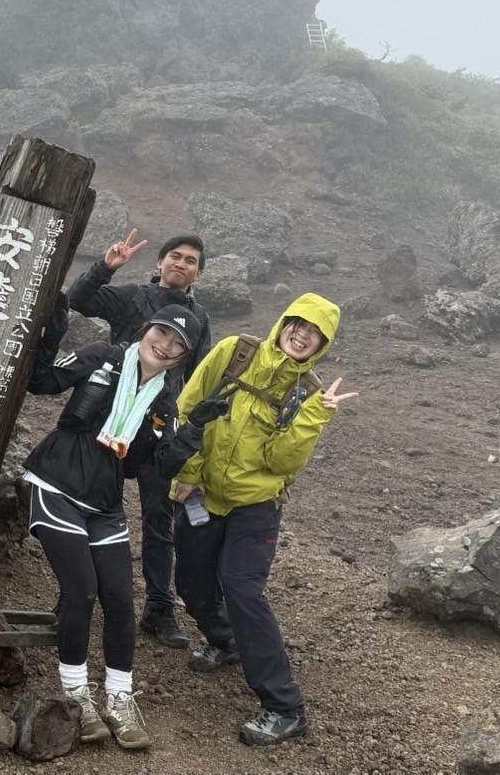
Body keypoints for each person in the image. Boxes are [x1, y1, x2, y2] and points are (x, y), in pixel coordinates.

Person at [157, 293, 358, 747]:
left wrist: (314, 418)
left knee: (243, 590)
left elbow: (280, 462)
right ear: (284, 322)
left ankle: (285, 707)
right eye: (298, 324)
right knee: (191, 584)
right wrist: (189, 473)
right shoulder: (235, 352)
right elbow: (189, 407)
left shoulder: (309, 394)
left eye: (315, 333)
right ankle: (224, 641)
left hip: (256, 506)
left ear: (322, 344)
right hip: (203, 494)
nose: (302, 335)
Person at [23, 300, 200, 750]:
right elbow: (42, 381)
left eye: (178, 344)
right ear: (147, 330)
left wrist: (193, 431)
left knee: (120, 599)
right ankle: (75, 695)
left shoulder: (164, 402)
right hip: (56, 481)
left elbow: (150, 468)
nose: (165, 345)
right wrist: (54, 329)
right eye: (162, 333)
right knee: (81, 591)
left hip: (104, 502)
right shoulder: (103, 356)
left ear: (183, 356)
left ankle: (119, 698)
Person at [66, 230, 213, 650]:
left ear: (198, 274)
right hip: (111, 418)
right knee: (90, 505)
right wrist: (106, 268)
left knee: (159, 519)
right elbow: (78, 300)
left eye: (191, 261)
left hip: (159, 429)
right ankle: (79, 595)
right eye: (175, 256)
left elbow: (201, 377)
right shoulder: (132, 296)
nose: (181, 264)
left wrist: (193, 442)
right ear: (161, 261)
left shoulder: (199, 319)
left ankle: (159, 608)